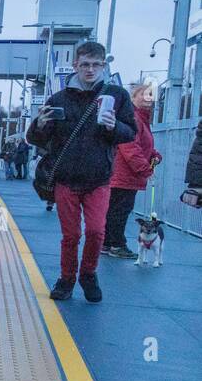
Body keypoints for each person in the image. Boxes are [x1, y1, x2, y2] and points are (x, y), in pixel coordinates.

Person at [26, 41, 136, 303]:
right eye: (84, 64)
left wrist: (114, 127)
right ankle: (66, 279)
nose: (90, 70)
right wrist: (40, 125)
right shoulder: (58, 99)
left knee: (97, 231)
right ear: (75, 65)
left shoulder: (117, 95)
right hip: (66, 178)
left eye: (95, 65)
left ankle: (88, 274)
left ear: (103, 66)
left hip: (98, 179)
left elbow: (131, 132)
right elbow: (38, 139)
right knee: (71, 235)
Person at [103, 84, 162, 259]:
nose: (148, 99)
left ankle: (107, 243)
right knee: (120, 211)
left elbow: (141, 146)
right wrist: (146, 170)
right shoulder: (135, 118)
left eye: (151, 95)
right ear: (133, 97)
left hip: (124, 174)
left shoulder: (140, 119)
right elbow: (130, 147)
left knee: (115, 210)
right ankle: (116, 245)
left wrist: (154, 155)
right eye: (144, 94)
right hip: (124, 175)